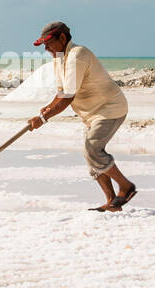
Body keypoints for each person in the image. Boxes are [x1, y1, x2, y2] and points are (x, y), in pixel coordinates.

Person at [26, 21, 137, 211]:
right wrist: (48, 108)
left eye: (48, 43)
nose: (46, 48)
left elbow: (69, 96)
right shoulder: (59, 58)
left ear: (62, 38)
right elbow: (62, 91)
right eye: (44, 45)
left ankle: (126, 187)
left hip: (109, 108)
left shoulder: (77, 55)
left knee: (92, 149)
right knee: (90, 156)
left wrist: (43, 119)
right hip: (91, 113)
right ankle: (112, 202)